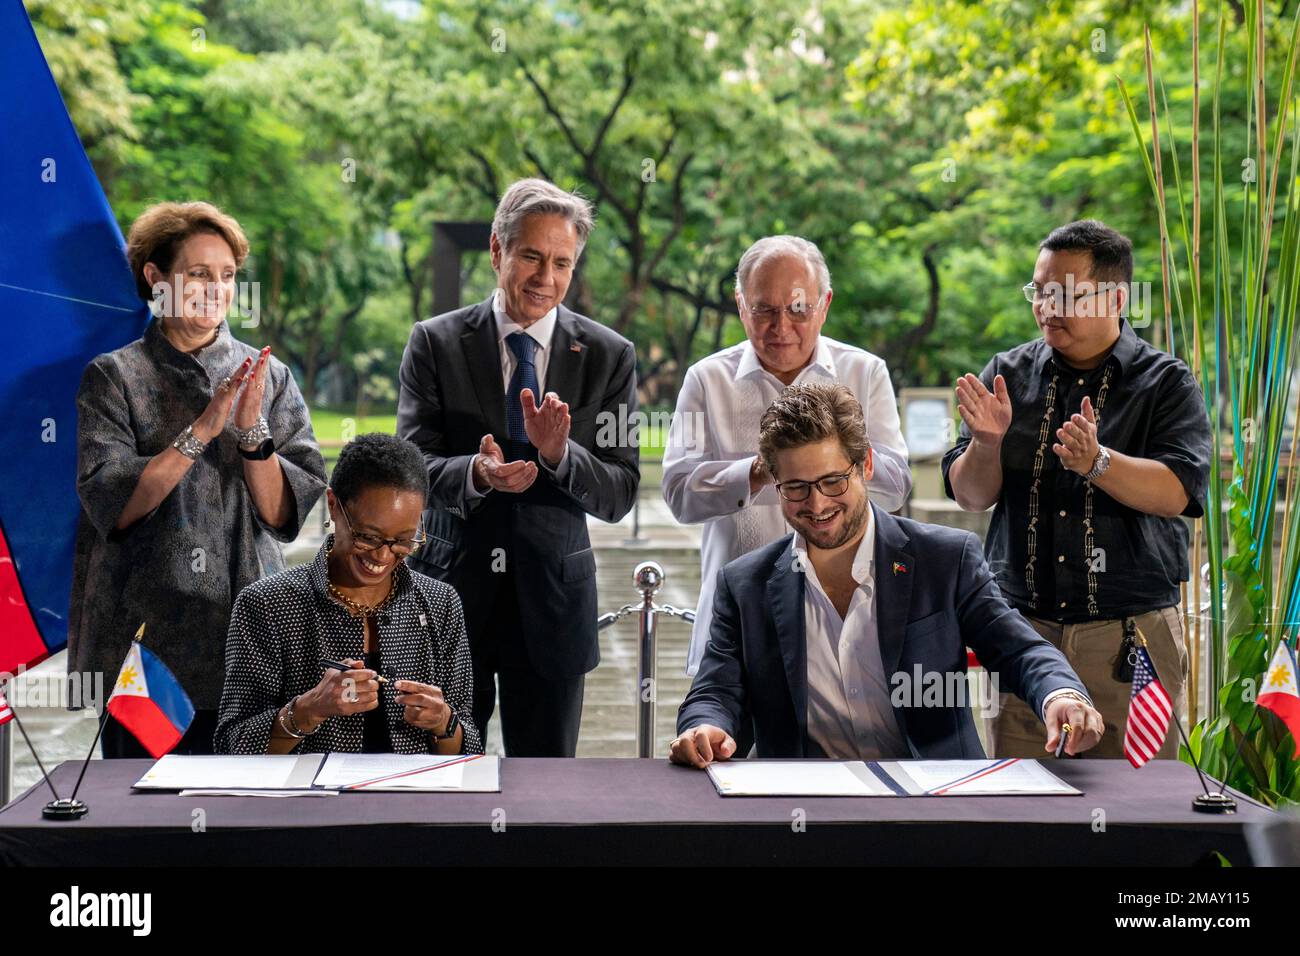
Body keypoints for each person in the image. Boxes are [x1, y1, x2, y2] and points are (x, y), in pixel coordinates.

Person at [671, 384, 1101, 767]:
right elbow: (714, 691)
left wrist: (1061, 694)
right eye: (796, 488)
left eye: (834, 481)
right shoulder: (743, 584)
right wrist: (705, 727)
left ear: (867, 465)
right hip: (805, 807)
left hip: (933, 801)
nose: (817, 505)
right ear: (775, 484)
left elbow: (1019, 650)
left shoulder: (945, 559)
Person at [942, 219, 1211, 760]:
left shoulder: (1164, 382)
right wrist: (988, 445)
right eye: (1039, 292)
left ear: (1115, 297)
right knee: (1026, 812)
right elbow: (971, 496)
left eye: (1064, 293)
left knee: (1137, 812)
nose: (1046, 306)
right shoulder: (1006, 375)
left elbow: (1178, 492)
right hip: (1026, 636)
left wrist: (1098, 463)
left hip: (1130, 636)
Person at [70, 201, 326, 757]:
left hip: (251, 635)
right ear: (156, 278)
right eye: (200, 275)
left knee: (246, 825)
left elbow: (285, 517)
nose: (217, 289)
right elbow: (115, 505)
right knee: (145, 821)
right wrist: (203, 430)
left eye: (228, 276)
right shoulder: (114, 376)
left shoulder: (270, 376)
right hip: (147, 648)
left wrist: (253, 436)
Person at [397, 178, 639, 757]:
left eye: (563, 263)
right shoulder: (435, 342)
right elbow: (409, 468)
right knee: (443, 778)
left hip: (554, 608)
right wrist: (475, 474)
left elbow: (620, 490)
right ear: (497, 250)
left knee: (550, 794)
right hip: (449, 598)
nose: (546, 278)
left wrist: (559, 454)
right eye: (532, 256)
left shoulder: (609, 356)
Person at [662, 235, 911, 677]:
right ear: (740, 305)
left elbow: (894, 488)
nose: (781, 328)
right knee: (724, 740)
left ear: (825, 304)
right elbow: (680, 494)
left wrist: (833, 454)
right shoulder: (706, 379)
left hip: (845, 615)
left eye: (798, 309)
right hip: (740, 617)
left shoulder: (864, 371)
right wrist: (757, 472)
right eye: (764, 310)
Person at [216, 434, 482, 755]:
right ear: (333, 505)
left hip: (412, 801)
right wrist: (308, 709)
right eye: (368, 537)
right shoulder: (267, 605)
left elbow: (469, 749)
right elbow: (232, 744)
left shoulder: (441, 604)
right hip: (308, 801)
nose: (383, 556)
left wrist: (444, 721)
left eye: (403, 541)